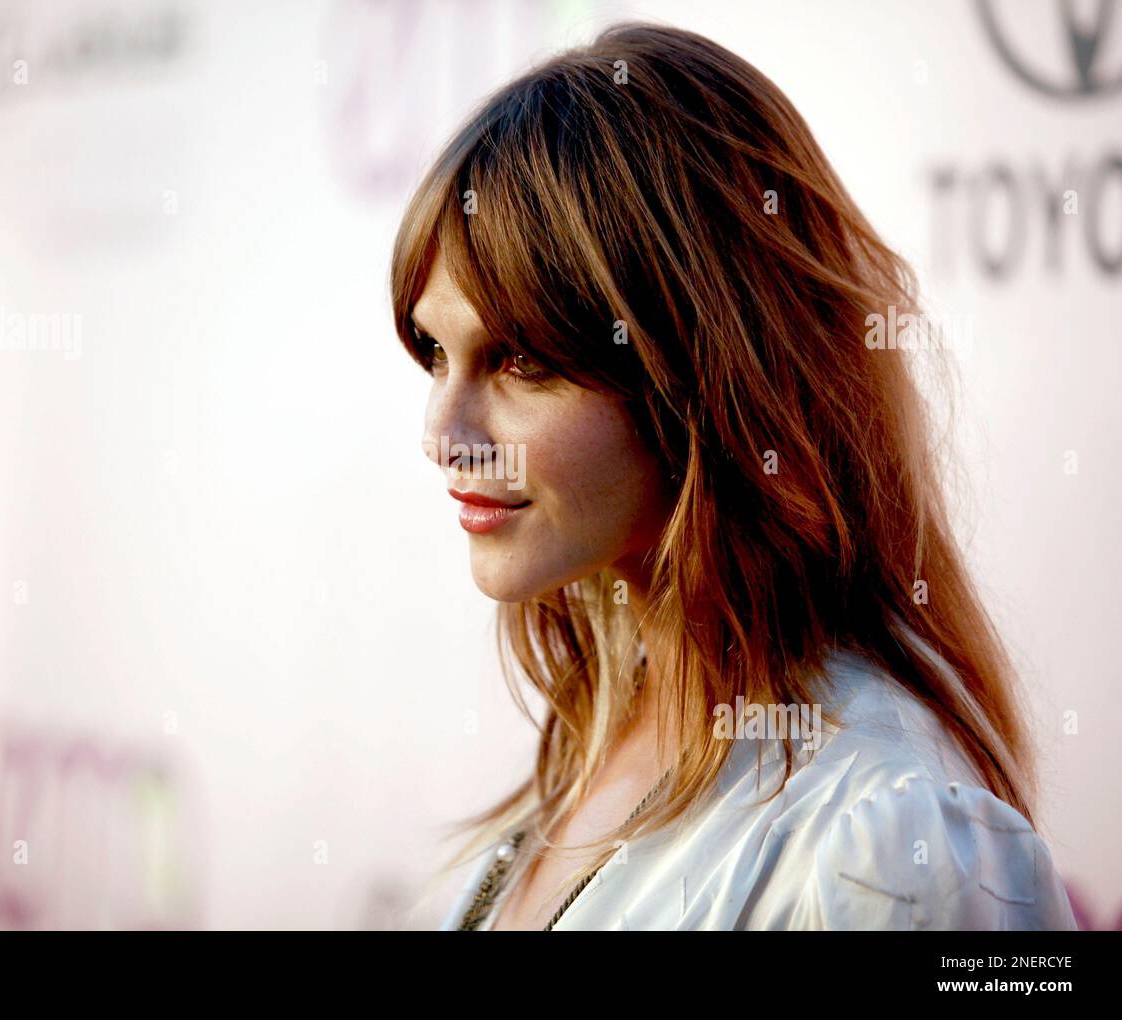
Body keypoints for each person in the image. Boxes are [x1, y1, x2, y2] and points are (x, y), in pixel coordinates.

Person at [389, 20, 1077, 931]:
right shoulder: (600, 740)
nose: (445, 436)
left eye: (520, 361)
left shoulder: (887, 836)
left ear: (703, 373)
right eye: (437, 353)